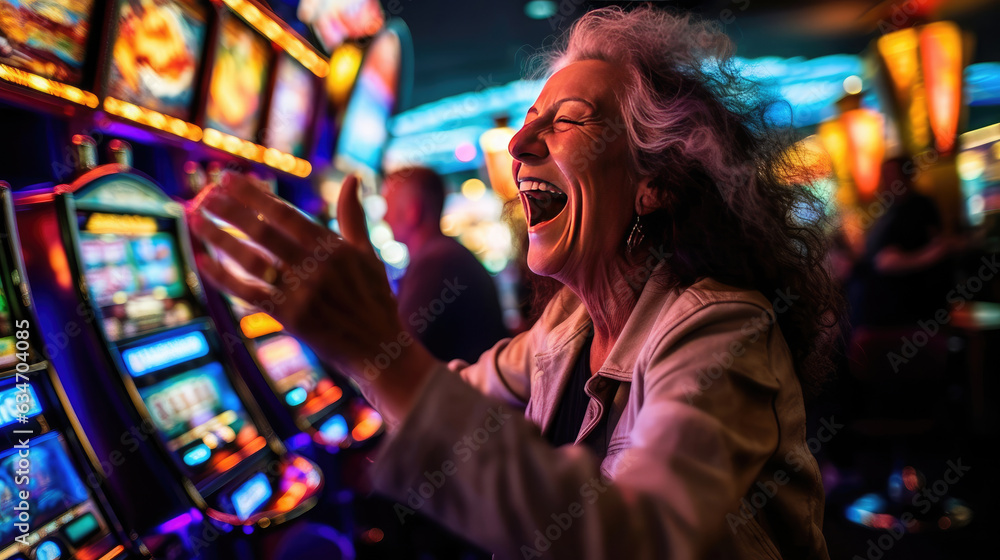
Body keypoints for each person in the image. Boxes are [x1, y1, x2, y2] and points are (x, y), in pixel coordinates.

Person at [188, 6, 840, 559]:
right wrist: (360, 343)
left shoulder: (721, 329)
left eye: (568, 120)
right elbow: (447, 396)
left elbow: (644, 537)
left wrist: (377, 351)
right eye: (530, 119)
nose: (520, 141)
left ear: (655, 183)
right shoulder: (567, 327)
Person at [382, 166, 509, 363]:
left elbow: (398, 352)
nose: (384, 217)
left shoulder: (436, 263)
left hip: (470, 382)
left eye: (388, 206)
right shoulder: (444, 253)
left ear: (412, 211)